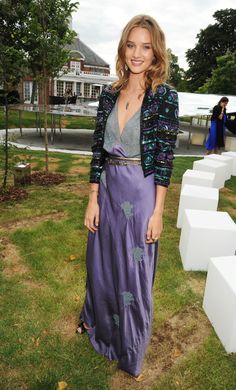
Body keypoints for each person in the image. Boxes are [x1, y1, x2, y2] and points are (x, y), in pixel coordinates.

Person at [76, 15, 179, 380]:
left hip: (140, 190)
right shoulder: (108, 94)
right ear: (123, 49)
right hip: (107, 188)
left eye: (146, 46)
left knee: (133, 276)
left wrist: (158, 211)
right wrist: (92, 198)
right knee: (100, 267)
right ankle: (99, 331)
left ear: (156, 52)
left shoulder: (164, 97)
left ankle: (129, 350)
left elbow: (165, 157)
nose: (137, 54)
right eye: (131, 45)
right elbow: (97, 152)